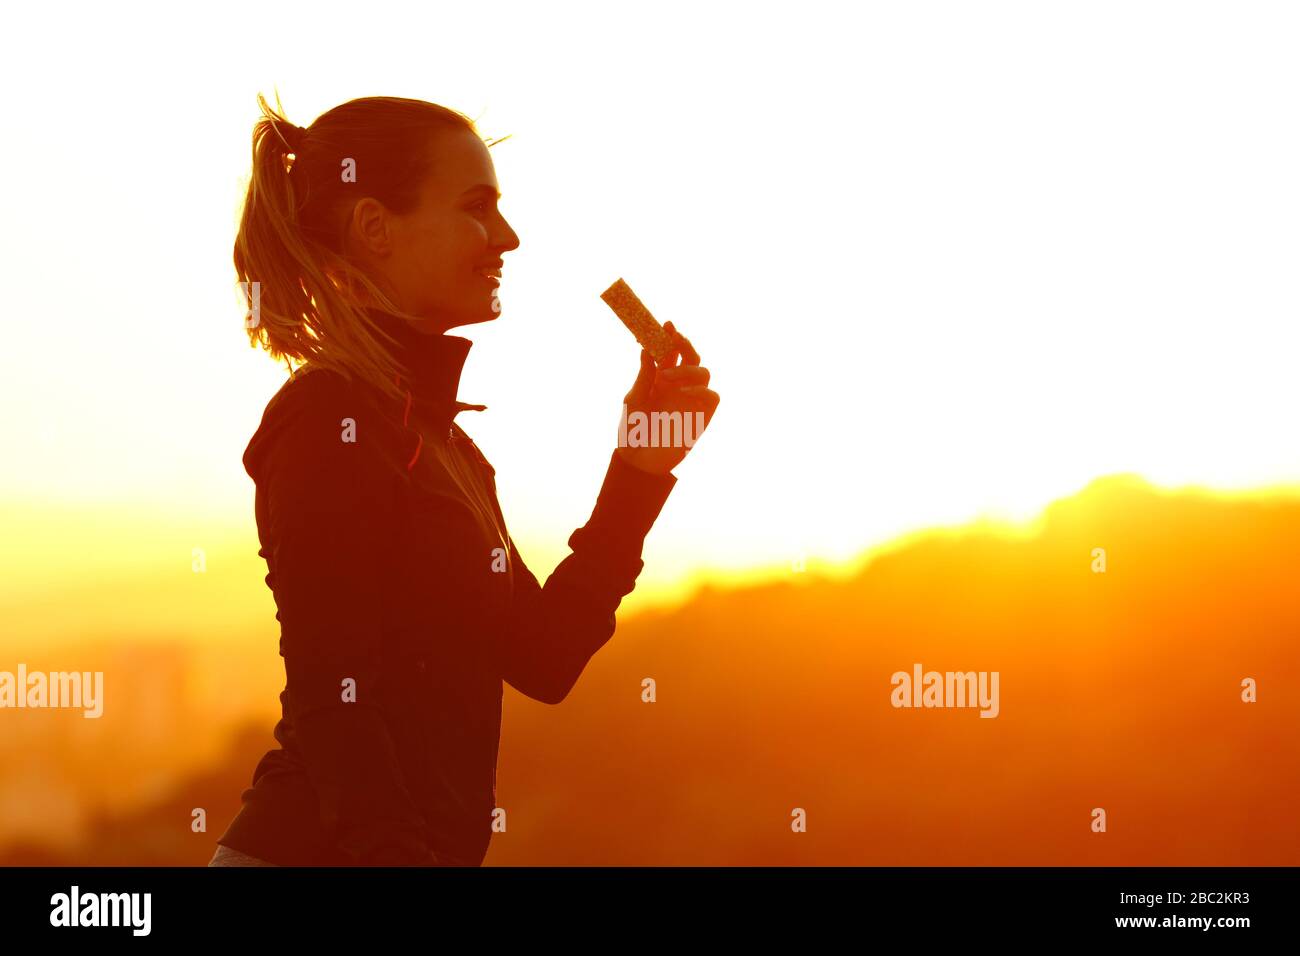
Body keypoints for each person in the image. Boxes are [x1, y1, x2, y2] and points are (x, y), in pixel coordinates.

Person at [209, 94, 719, 866]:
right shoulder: (326, 421)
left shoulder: (445, 447)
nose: (508, 238)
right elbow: (333, 702)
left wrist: (639, 470)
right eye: (478, 209)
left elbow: (544, 658)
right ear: (374, 228)